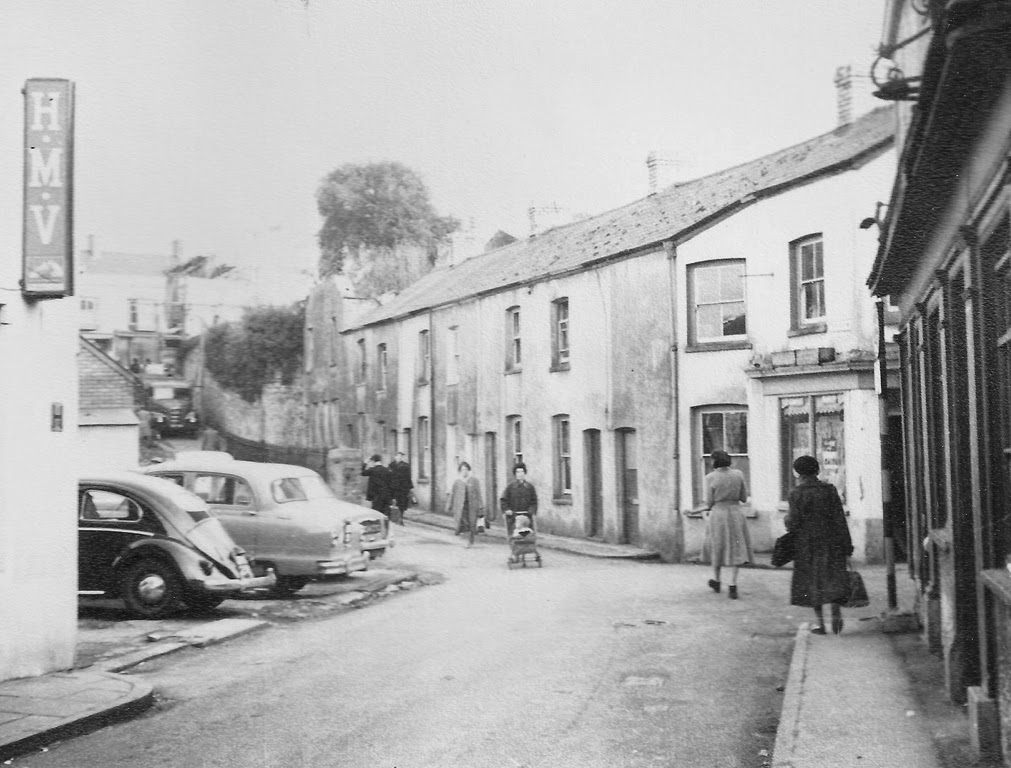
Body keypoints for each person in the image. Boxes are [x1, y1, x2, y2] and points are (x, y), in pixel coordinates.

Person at [785, 455, 853, 635]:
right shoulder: (829, 490)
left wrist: (788, 521)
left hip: (807, 543)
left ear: (797, 473)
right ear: (817, 470)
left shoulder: (796, 493)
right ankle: (835, 611)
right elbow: (839, 518)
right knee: (833, 577)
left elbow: (793, 522)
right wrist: (847, 545)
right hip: (831, 540)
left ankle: (821, 624)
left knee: (812, 581)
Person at [703, 449, 752, 599]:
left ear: (714, 461)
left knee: (717, 546)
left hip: (718, 515)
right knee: (737, 547)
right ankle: (733, 584)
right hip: (736, 514)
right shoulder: (738, 474)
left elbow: (709, 502)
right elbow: (744, 498)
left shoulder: (710, 477)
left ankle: (717, 580)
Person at [447, 461, 485, 547]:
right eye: (462, 470)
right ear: (460, 471)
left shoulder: (474, 481)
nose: (465, 471)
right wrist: (449, 506)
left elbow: (478, 494)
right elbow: (453, 494)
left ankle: (470, 540)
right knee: (464, 524)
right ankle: (466, 540)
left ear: (469, 470)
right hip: (461, 507)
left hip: (472, 506)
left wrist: (481, 506)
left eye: (466, 469)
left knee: (472, 523)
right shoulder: (457, 482)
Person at [500, 463, 538, 537]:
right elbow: (503, 500)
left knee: (528, 536)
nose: (520, 474)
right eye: (518, 472)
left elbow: (534, 501)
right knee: (514, 536)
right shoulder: (510, 487)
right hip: (513, 516)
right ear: (515, 474)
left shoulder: (529, 487)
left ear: (525, 473)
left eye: (522, 472)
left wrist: (531, 511)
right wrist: (507, 510)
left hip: (527, 516)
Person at [361, 454, 393, 518]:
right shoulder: (386, 470)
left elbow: (362, 472)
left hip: (376, 496)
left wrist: (365, 463)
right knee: (385, 515)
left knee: (376, 514)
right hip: (386, 496)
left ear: (373, 461)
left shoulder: (372, 470)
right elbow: (391, 484)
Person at [387, 451, 413, 526]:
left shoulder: (406, 466)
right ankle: (393, 519)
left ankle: (400, 518)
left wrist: (410, 487)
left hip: (403, 488)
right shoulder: (391, 465)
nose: (399, 457)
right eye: (398, 456)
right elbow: (388, 477)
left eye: (401, 456)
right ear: (395, 457)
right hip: (393, 488)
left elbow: (408, 477)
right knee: (393, 504)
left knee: (402, 504)